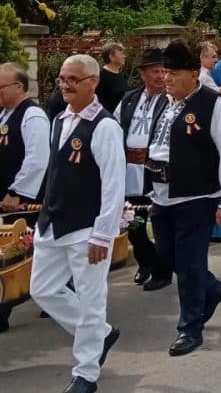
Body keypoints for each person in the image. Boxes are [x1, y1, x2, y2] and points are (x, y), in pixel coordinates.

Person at [30, 54, 125, 393]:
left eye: (74, 79)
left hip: (87, 226)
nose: (66, 85)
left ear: (93, 82)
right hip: (52, 222)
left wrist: (103, 233)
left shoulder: (105, 126)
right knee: (42, 289)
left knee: (89, 300)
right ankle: (100, 333)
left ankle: (86, 373)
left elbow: (114, 184)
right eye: (62, 78)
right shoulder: (58, 120)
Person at [146, 39, 221, 356]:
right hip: (162, 196)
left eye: (173, 73)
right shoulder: (163, 103)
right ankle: (212, 288)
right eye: (164, 73)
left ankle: (190, 327)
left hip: (197, 198)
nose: (167, 78)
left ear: (193, 73)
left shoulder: (212, 104)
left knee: (188, 265)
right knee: (166, 255)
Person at [113, 48, 171, 292]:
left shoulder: (170, 100)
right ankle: (146, 262)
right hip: (129, 170)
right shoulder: (129, 99)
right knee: (134, 224)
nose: (160, 76)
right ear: (143, 74)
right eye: (155, 71)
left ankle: (163, 270)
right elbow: (115, 126)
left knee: (156, 225)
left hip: (154, 172)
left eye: (163, 71)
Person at [0, 63, 50, 333]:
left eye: (1, 87)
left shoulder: (32, 115)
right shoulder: (4, 115)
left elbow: (37, 159)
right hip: (5, 201)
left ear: (19, 87)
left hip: (23, 201)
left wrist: (17, 192)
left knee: (18, 254)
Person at [95, 42, 127, 114]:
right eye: (121, 54)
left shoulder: (121, 75)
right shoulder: (101, 77)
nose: (124, 56)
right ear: (111, 57)